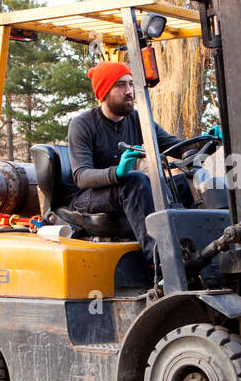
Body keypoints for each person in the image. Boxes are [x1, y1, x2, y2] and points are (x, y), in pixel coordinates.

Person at [66, 59, 187, 264]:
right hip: (86, 196)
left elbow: (175, 147)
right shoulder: (82, 124)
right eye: (120, 85)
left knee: (182, 184)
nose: (129, 91)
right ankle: (161, 261)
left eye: (130, 84)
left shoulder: (140, 121)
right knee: (136, 181)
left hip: (120, 190)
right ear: (104, 92)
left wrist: (210, 140)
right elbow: (81, 176)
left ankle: (190, 248)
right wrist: (117, 173)